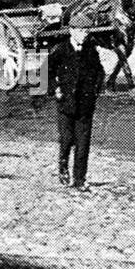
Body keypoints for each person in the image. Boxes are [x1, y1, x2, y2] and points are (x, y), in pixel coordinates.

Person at [48, 21, 105, 190]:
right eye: (82, 30)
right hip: (66, 103)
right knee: (66, 139)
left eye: (87, 30)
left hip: (86, 104)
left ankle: (80, 179)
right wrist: (55, 89)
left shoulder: (91, 50)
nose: (85, 33)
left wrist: (95, 91)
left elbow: (100, 72)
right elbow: (46, 71)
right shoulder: (61, 49)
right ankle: (63, 166)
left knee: (83, 143)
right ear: (72, 31)